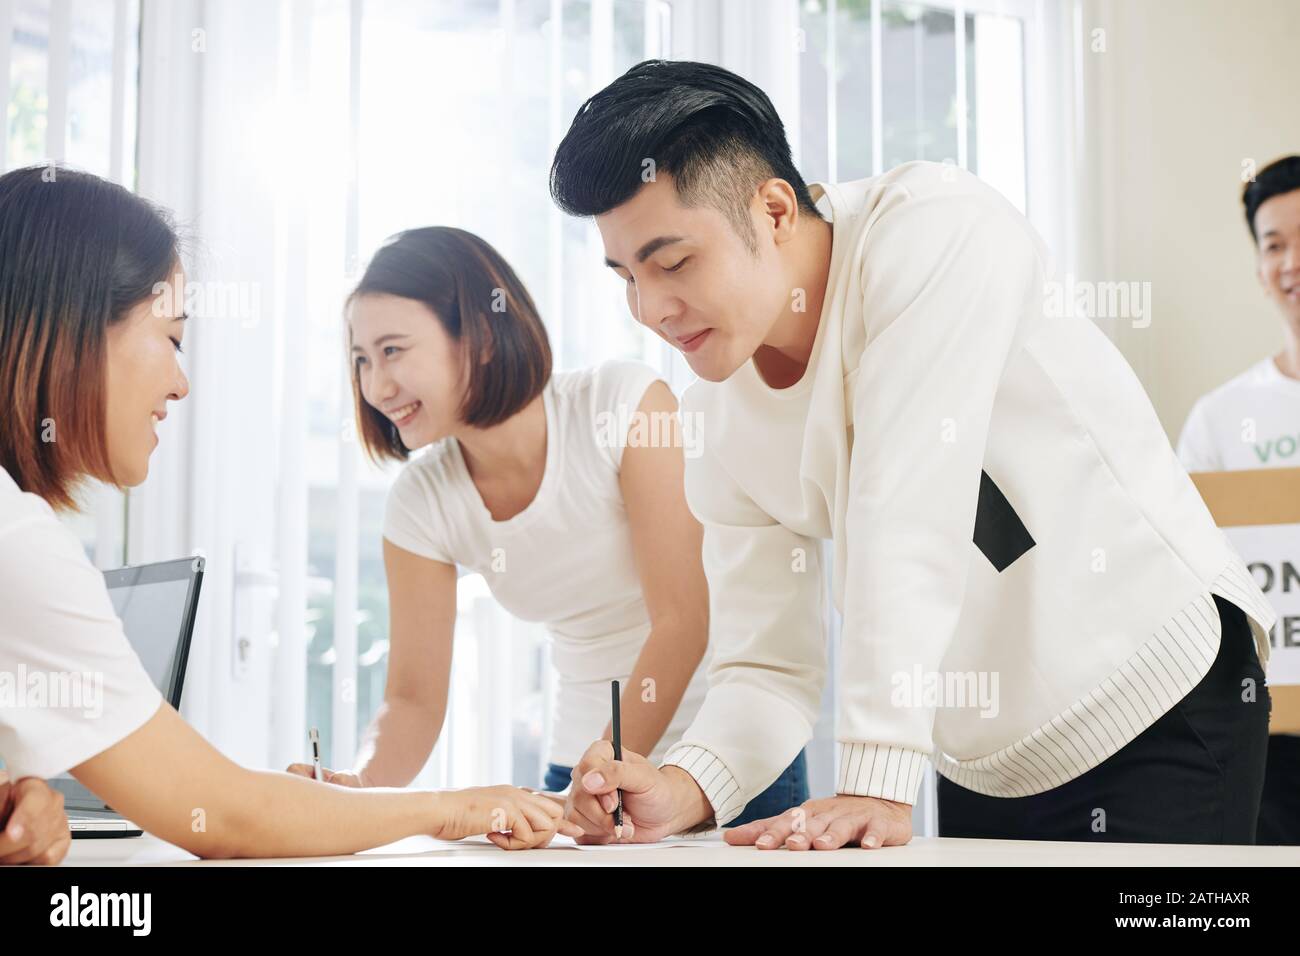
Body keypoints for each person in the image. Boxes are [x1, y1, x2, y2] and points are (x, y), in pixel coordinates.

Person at [548, 60, 1276, 848]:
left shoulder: (934, 229)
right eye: (626, 276)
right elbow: (767, 667)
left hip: (1153, 694)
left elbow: (909, 500)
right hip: (986, 758)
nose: (650, 310)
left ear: (774, 209)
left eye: (674, 262)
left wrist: (876, 773)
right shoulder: (718, 418)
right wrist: (687, 786)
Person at [0, 165, 581, 859]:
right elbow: (223, 813)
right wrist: (455, 809)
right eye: (173, 339)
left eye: (394, 350)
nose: (180, 384)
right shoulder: (18, 544)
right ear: (75, 327)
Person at [285, 226, 809, 835]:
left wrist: (602, 776)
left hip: (726, 755)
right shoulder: (421, 503)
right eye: (361, 360)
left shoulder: (622, 404)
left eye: (394, 351)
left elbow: (684, 619)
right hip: (583, 763)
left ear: (479, 336)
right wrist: (361, 791)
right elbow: (412, 701)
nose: (376, 386)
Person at [1177, 154, 1300, 845]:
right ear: (1259, 271)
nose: (1291, 262)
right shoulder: (1221, 419)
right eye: (1274, 245)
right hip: (1274, 729)